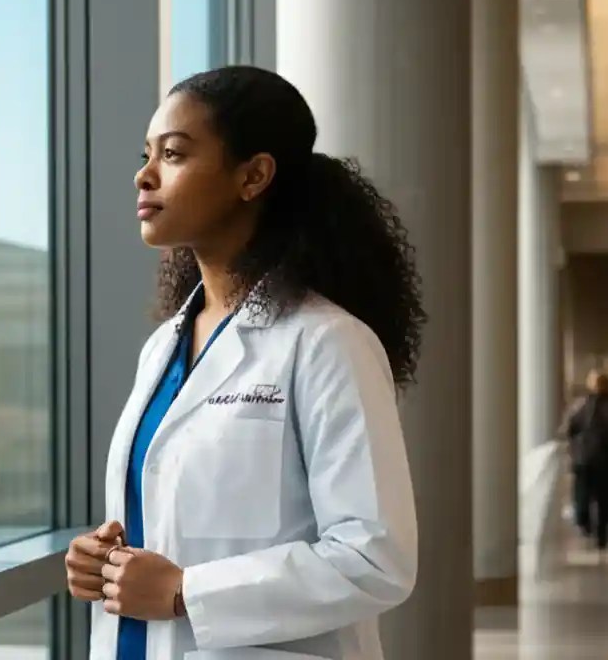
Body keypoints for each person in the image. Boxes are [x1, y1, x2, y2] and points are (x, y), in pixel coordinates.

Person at [66, 66, 422, 659]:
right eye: (147, 154)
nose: (144, 174)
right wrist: (104, 559)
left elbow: (375, 557)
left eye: (173, 155)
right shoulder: (164, 348)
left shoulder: (327, 341)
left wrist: (187, 591)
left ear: (253, 176)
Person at [564, 370, 608, 549]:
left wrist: (574, 449)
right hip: (606, 462)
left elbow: (569, 429)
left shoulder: (581, 405)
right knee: (604, 499)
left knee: (583, 496)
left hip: (584, 460)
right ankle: (601, 533)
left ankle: (586, 525)